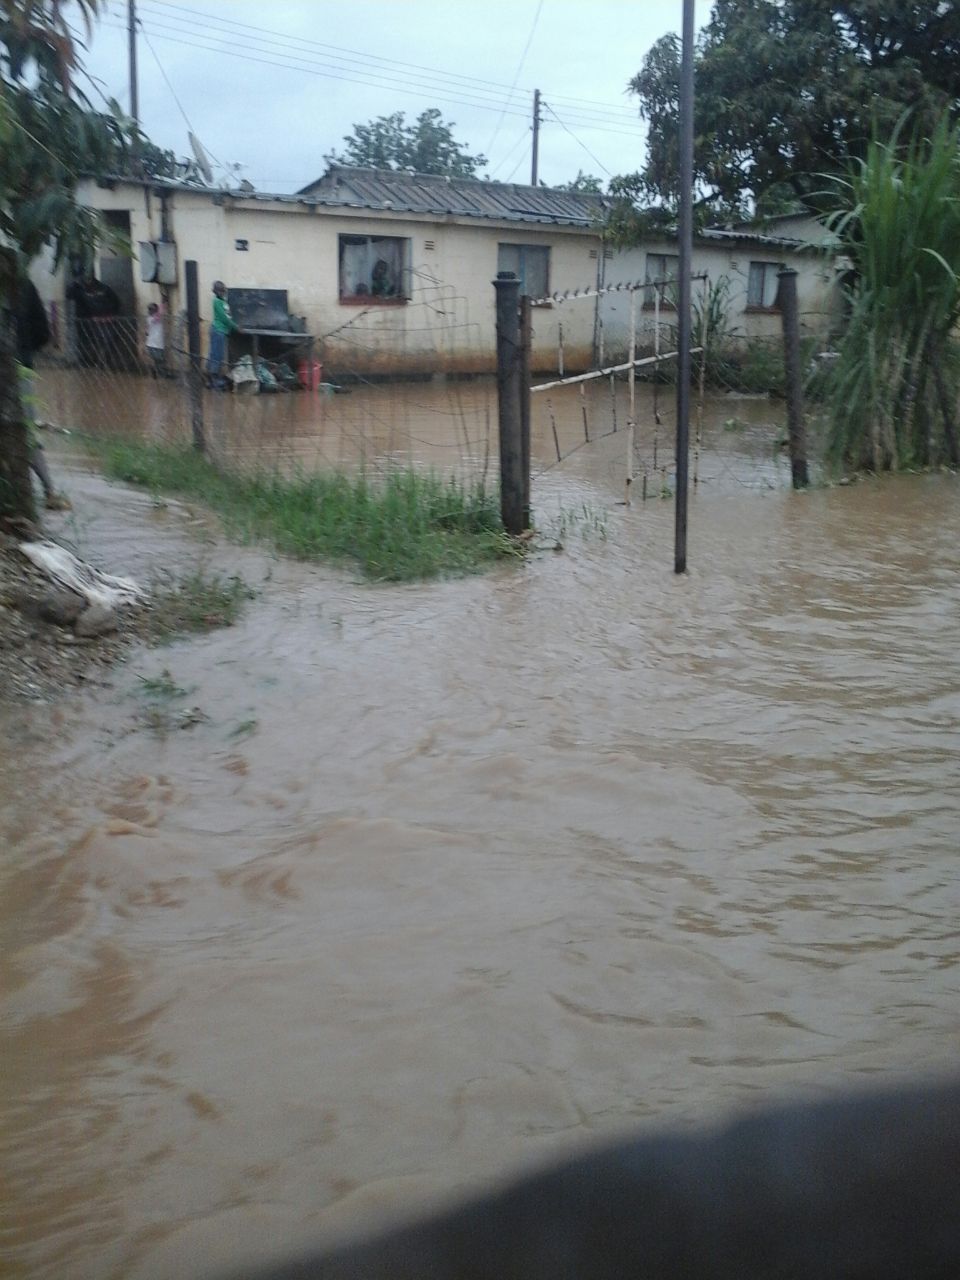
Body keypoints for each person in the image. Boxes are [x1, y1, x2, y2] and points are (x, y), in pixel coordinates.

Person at [14, 274, 70, 511]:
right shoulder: (21, 280)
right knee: (25, 429)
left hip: (18, 364)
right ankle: (48, 491)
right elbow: (42, 332)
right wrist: (24, 350)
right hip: (20, 366)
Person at [206, 280, 238, 389]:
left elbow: (228, 315)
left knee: (217, 355)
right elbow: (224, 318)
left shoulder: (223, 301)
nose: (222, 292)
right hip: (218, 331)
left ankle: (213, 379)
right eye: (219, 290)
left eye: (223, 290)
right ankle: (212, 380)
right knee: (216, 355)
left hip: (222, 331)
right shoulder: (217, 302)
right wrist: (235, 327)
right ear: (215, 291)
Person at [145, 301, 165, 376]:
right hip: (153, 344)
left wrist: (162, 304)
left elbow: (159, 315)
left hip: (156, 343)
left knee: (159, 360)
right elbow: (158, 316)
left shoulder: (152, 318)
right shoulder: (151, 318)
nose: (151, 311)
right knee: (159, 359)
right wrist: (162, 304)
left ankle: (156, 372)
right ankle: (156, 372)